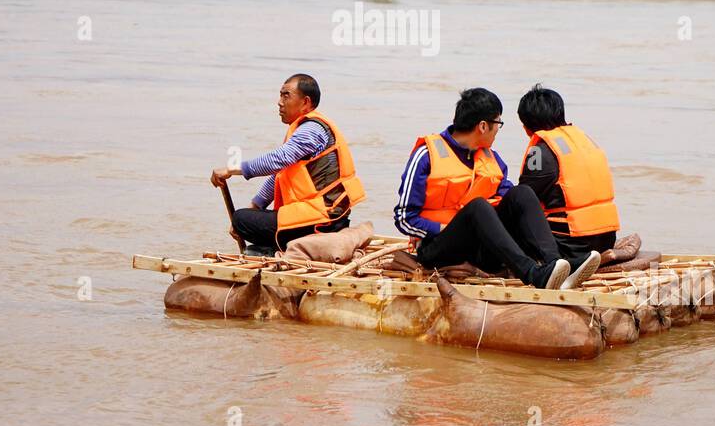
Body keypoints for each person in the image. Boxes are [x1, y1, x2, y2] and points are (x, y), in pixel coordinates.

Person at [393, 87, 596, 290]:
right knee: (478, 207)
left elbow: (511, 200)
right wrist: (442, 229)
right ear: (483, 126)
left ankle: (556, 264)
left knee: (522, 193)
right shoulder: (426, 156)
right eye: (498, 123)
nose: (499, 129)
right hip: (438, 249)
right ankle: (533, 274)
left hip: (481, 250)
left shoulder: (492, 159)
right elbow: (403, 218)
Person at [211, 74, 365, 253]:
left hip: (323, 219)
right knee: (247, 216)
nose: (279, 102)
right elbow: (280, 173)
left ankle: (275, 247)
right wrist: (256, 206)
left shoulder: (311, 130)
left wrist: (232, 169)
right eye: (280, 95)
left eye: (286, 95)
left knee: (240, 219)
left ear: (305, 102)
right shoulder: (304, 128)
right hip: (323, 215)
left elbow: (279, 159)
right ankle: (272, 245)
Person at [516, 85, 616, 286]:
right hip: (606, 238)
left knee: (517, 201)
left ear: (527, 126)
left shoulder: (541, 150)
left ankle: (556, 264)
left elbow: (526, 198)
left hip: (571, 244)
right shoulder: (585, 140)